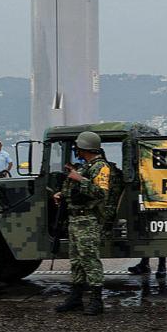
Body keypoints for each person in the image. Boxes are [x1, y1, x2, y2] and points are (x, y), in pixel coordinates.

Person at [53, 132, 113, 315]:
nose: (76, 150)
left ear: (85, 148)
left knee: (89, 260)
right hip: (75, 219)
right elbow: (74, 190)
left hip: (88, 220)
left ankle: (96, 301)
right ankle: (76, 298)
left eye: (78, 147)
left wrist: (81, 179)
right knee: (76, 261)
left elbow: (102, 194)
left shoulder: (101, 167)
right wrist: (61, 194)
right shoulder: (85, 166)